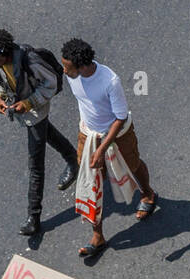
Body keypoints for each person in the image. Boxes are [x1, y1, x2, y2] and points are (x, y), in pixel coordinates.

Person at [61, 37, 158, 262]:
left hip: (117, 135)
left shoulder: (109, 81)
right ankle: (98, 235)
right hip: (87, 134)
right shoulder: (71, 74)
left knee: (133, 164)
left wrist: (102, 148)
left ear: (81, 65)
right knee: (92, 181)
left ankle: (148, 194)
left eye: (67, 67)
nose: (64, 71)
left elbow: (120, 117)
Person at [0, 28, 78, 239]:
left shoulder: (30, 61)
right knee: (48, 134)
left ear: (6, 55)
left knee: (35, 164)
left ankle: (33, 218)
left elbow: (51, 83)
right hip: (21, 108)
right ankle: (74, 159)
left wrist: (29, 103)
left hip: (36, 109)